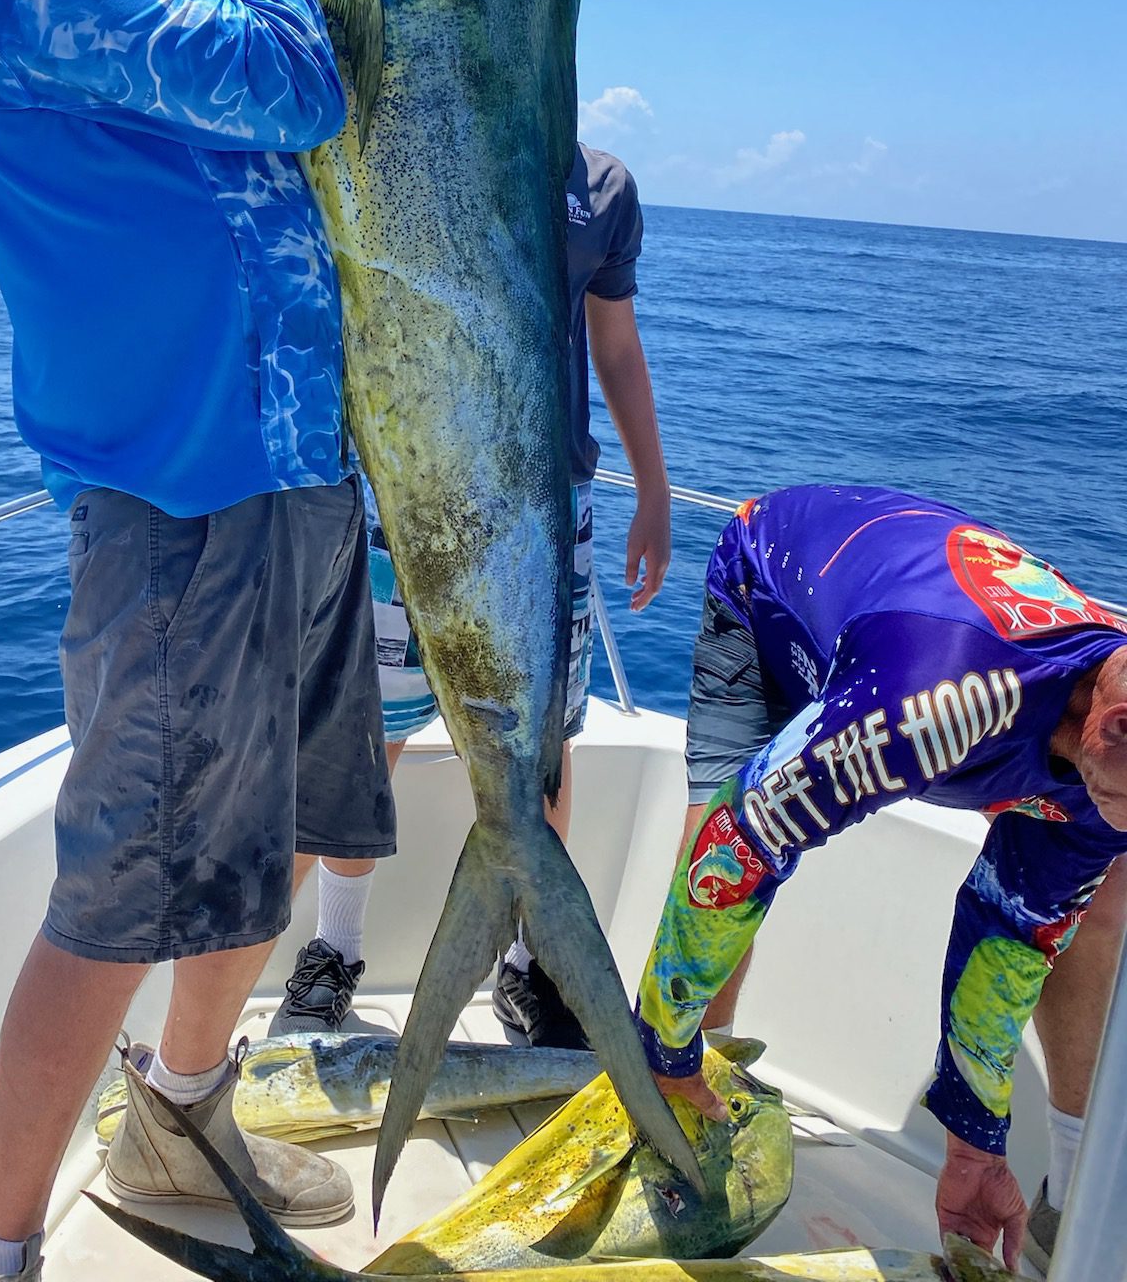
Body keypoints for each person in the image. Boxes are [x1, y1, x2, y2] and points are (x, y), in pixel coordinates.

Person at [0, 0, 395, 1282]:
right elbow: (288, 81)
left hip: (297, 478)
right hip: (185, 504)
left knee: (278, 844)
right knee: (123, 896)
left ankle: (180, 1120)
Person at [635, 483, 1127, 1274]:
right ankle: (688, 1086)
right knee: (724, 833)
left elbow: (1009, 936)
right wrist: (662, 1047)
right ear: (1113, 725)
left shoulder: (1108, 775)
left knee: (1085, 899)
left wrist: (974, 1146)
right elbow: (740, 842)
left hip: (904, 596)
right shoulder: (934, 707)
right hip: (770, 585)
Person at [269, 143, 671, 1047]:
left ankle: (529, 963)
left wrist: (654, 488)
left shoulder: (604, 189)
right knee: (365, 733)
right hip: (407, 500)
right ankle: (335, 950)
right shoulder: (405, 154)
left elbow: (615, 346)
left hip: (546, 514)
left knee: (542, 749)